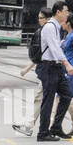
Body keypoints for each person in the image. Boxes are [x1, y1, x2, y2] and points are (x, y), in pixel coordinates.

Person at [35, 1, 73, 142]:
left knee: (67, 95)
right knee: (48, 101)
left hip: (56, 68)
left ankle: (56, 127)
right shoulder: (50, 27)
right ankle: (43, 133)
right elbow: (53, 48)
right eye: (65, 11)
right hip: (49, 67)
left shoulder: (56, 27)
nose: (67, 13)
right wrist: (67, 64)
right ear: (58, 12)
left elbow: (55, 46)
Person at [13, 9, 51, 138]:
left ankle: (29, 126)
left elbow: (39, 54)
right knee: (63, 97)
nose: (39, 20)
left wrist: (27, 69)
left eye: (41, 18)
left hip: (49, 71)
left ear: (47, 19)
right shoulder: (47, 32)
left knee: (44, 98)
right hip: (48, 70)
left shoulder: (44, 33)